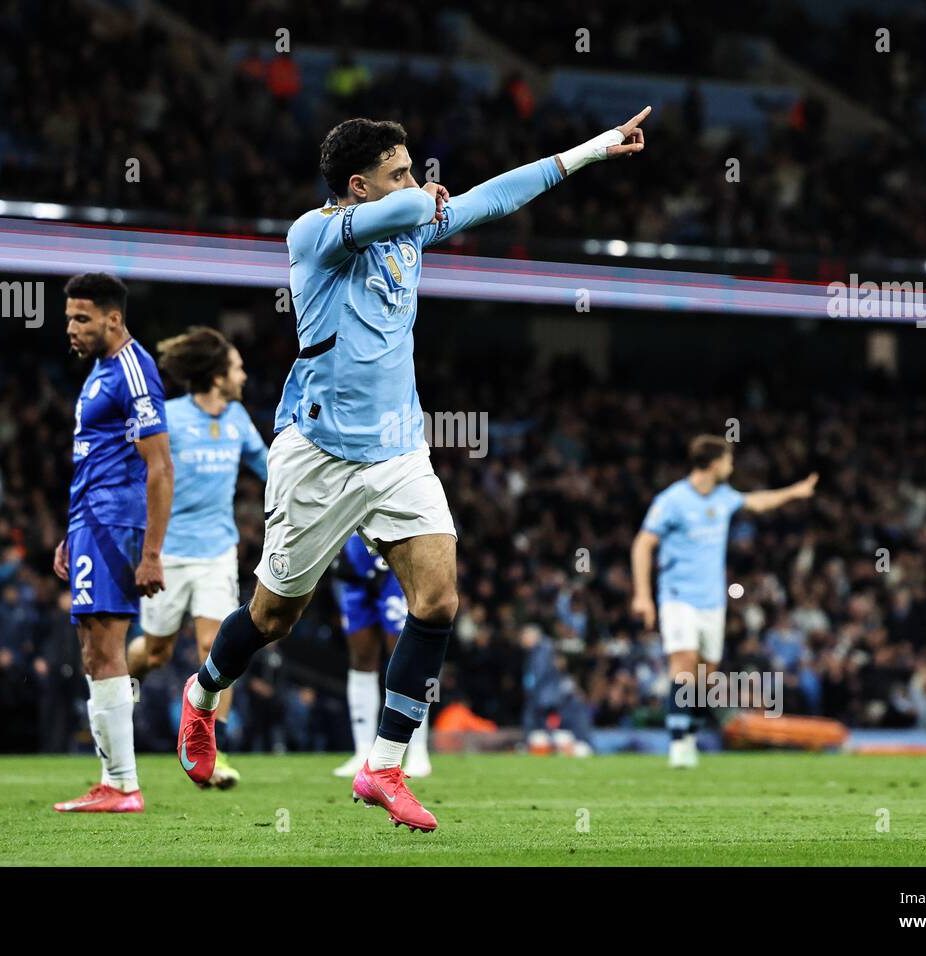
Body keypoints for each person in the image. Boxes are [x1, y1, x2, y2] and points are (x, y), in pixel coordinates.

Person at [177, 108, 653, 832]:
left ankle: (385, 765)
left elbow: (495, 195)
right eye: (400, 172)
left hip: (399, 450)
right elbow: (413, 204)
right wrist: (420, 197)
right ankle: (204, 695)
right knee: (274, 615)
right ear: (358, 187)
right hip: (319, 454)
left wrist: (593, 150)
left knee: (437, 601)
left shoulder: (408, 227)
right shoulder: (313, 235)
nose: (419, 184)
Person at [52, 273, 172, 812]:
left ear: (113, 319)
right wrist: (71, 532)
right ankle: (113, 781)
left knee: (106, 648)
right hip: (90, 522)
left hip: (115, 524)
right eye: (69, 318)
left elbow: (160, 466)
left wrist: (150, 552)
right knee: (92, 650)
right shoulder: (100, 372)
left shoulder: (132, 369)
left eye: (82, 318)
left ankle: (123, 785)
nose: (71, 329)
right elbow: (98, 458)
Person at [131, 326, 266, 789]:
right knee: (155, 652)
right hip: (169, 552)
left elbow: (268, 467)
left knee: (216, 648)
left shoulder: (238, 418)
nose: (243, 374)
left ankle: (213, 747)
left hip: (216, 552)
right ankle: (111, 690)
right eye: (236, 367)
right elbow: (142, 477)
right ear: (215, 375)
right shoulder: (169, 418)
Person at [630, 434, 817, 768]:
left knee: (705, 675)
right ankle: (678, 743)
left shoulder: (724, 497)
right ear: (714, 463)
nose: (732, 466)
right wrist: (643, 596)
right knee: (682, 662)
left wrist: (793, 492)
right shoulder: (671, 500)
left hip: (712, 602)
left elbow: (756, 502)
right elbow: (643, 545)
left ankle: (691, 732)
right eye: (729, 460)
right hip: (677, 596)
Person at [330, 533, 430, 779]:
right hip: (354, 564)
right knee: (361, 659)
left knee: (406, 657)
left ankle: (417, 750)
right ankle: (363, 750)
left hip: (393, 561)